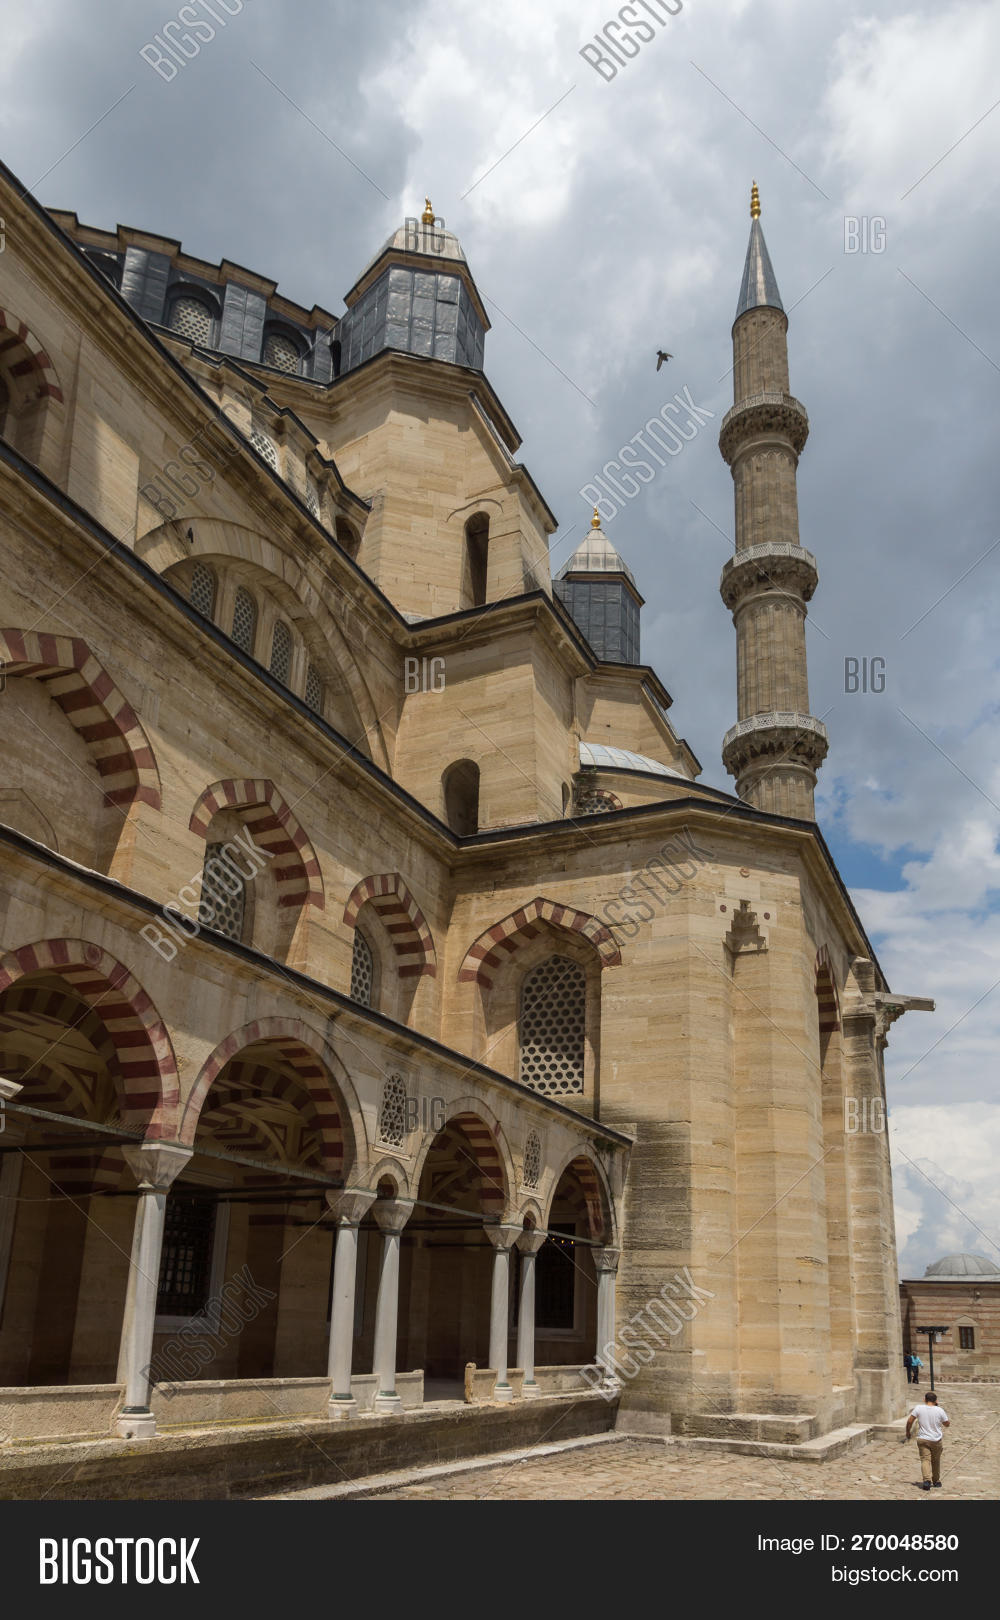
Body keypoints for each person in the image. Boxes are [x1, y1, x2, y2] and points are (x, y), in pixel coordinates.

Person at [905, 1390, 950, 1489]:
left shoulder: (919, 1408)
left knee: (925, 1460)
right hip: (936, 1439)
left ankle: (926, 1481)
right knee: (936, 1460)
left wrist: (908, 1432)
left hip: (923, 1438)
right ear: (936, 1401)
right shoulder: (940, 1410)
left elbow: (910, 1421)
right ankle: (936, 1481)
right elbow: (947, 1424)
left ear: (924, 1399)